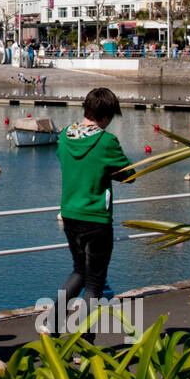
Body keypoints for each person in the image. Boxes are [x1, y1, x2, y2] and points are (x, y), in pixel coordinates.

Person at [47, 87, 134, 337]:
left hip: (70, 215)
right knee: (95, 283)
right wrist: (109, 172)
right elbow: (131, 174)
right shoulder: (106, 141)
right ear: (105, 116)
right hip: (96, 218)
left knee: (79, 271)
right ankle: (82, 342)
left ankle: (52, 322)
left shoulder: (64, 136)